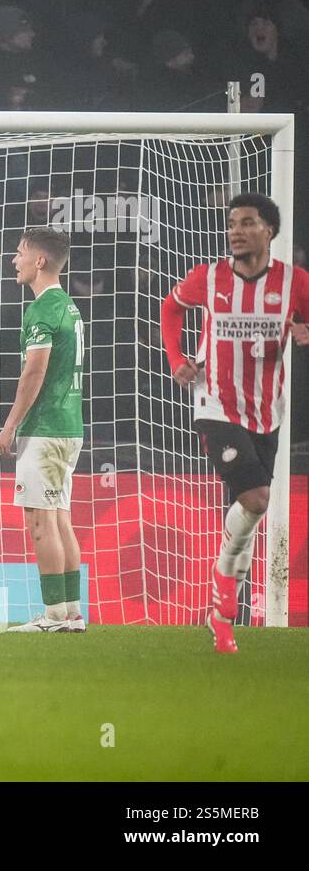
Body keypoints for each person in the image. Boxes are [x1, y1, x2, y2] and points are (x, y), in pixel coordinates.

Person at [159, 193, 309, 653]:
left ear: (269, 230)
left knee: (253, 510)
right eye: (231, 223)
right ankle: (225, 587)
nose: (236, 231)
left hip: (268, 410)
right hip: (215, 403)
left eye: (247, 223)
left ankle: (222, 617)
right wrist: (176, 358)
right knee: (257, 497)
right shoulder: (209, 277)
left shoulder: (294, 282)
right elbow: (170, 306)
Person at [0, 227, 87, 632]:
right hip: (70, 426)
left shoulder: (43, 309)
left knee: (40, 521)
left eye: (19, 253)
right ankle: (70, 613)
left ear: (40, 261)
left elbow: (35, 371)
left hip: (46, 427)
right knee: (60, 519)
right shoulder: (68, 306)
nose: (14, 260)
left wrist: (10, 426)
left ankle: (52, 615)